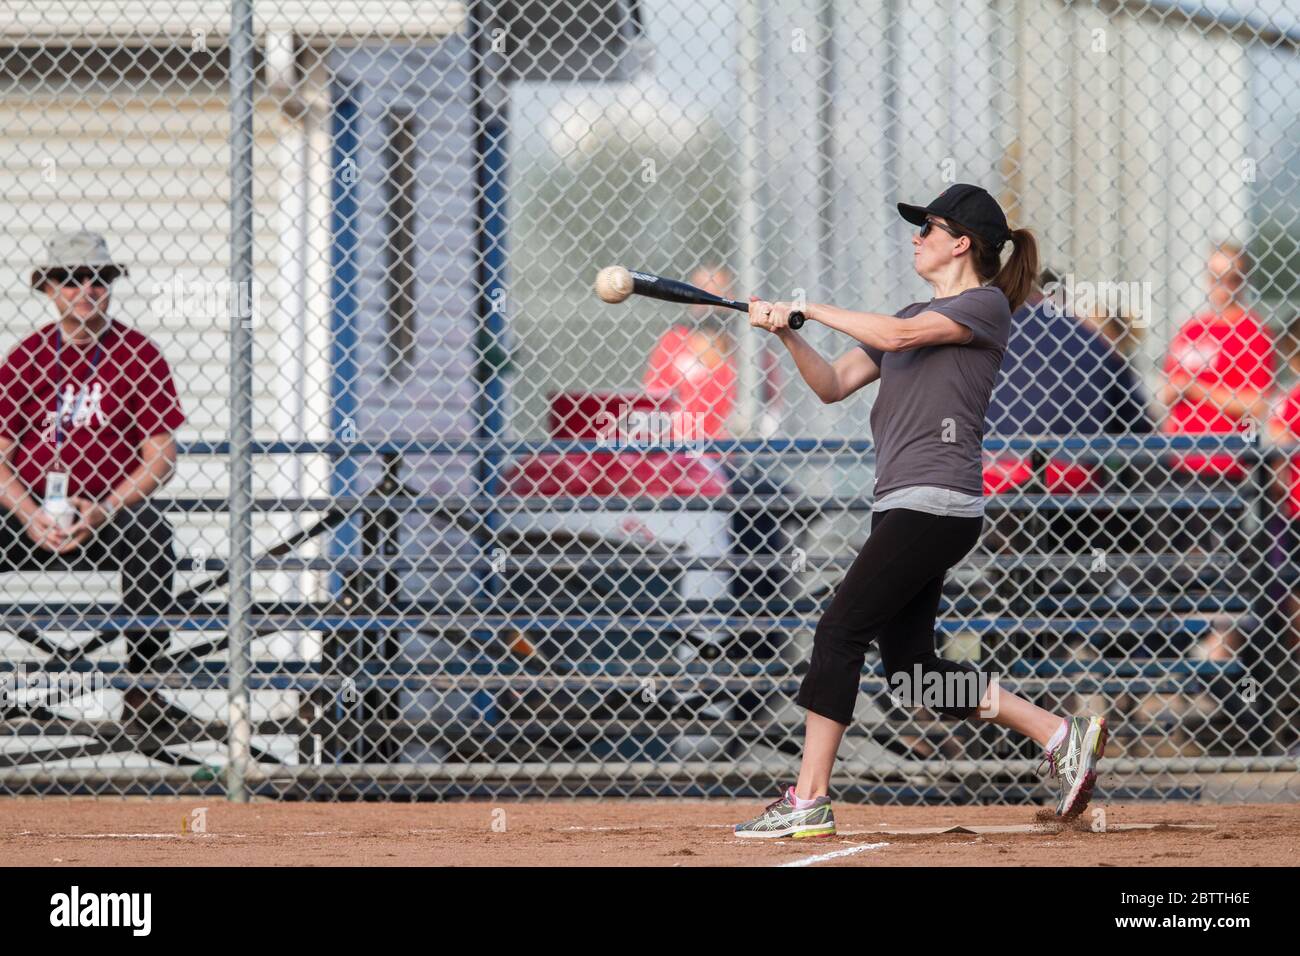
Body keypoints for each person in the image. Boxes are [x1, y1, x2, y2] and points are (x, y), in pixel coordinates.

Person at [734, 184, 1106, 838]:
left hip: (938, 502)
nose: (915, 237)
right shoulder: (907, 315)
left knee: (839, 630)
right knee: (914, 677)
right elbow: (832, 385)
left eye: (928, 228)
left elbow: (902, 335)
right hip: (902, 504)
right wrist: (789, 335)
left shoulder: (984, 304)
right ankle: (1057, 733)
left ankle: (809, 799)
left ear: (962, 242)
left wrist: (808, 307)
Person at [0, 231, 186, 732]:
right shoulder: (27, 357)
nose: (86, 289)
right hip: (31, 514)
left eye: (99, 278)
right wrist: (28, 512)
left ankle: (143, 689)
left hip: (105, 513)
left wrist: (103, 507)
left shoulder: (138, 354)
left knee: (153, 535)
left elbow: (160, 456)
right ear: (48, 289)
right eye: (69, 279)